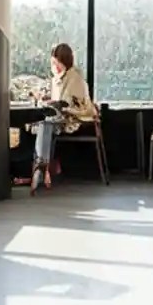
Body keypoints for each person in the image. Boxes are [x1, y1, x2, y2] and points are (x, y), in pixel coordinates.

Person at [28, 43, 96, 195]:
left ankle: (40, 168)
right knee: (44, 123)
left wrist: (57, 104)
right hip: (61, 117)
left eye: (58, 63)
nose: (55, 66)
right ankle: (42, 168)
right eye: (53, 63)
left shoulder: (74, 78)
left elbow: (72, 104)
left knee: (45, 124)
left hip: (76, 118)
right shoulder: (57, 79)